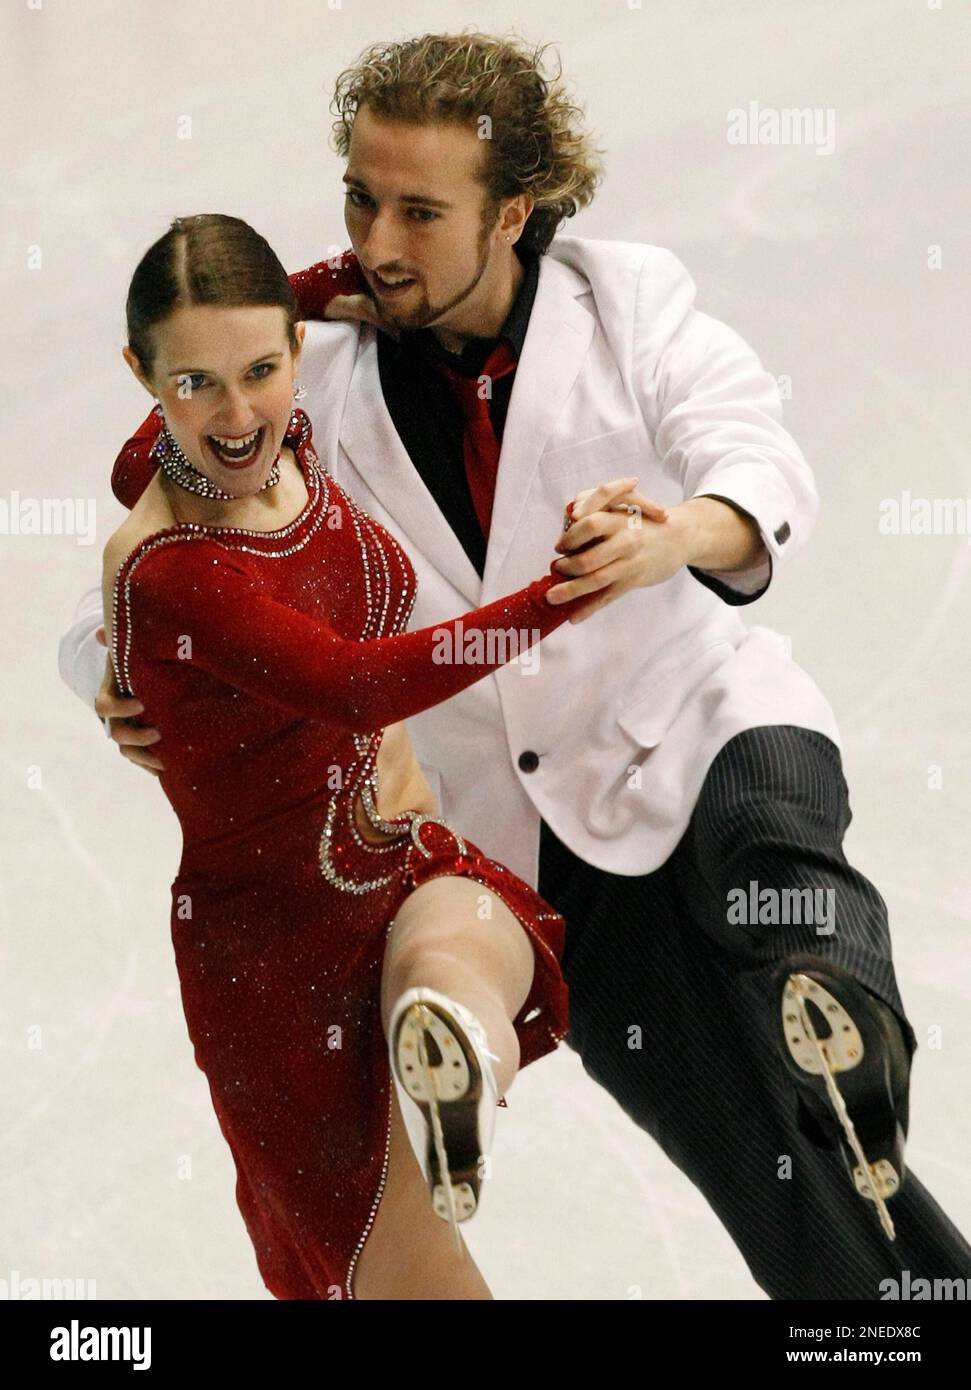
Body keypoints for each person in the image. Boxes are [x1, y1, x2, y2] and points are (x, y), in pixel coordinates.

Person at [61, 31, 971, 1297]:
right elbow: (160, 522)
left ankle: (839, 1011)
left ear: (513, 212)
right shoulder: (310, 386)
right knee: (763, 1165)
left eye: (420, 211)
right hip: (539, 850)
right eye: (360, 200)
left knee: (772, 854)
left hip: (693, 723)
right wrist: (117, 672)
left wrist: (675, 537)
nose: (378, 242)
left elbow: (751, 455)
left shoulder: (623, 301)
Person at [98, 210, 611, 1301]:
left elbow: (242, 333)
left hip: (398, 858)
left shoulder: (272, 434)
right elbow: (354, 685)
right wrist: (562, 592)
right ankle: (444, 1053)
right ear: (142, 376)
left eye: (261, 369)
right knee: (408, 1281)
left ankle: (451, 1054)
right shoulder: (174, 568)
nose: (237, 414)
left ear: (293, 347)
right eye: (195, 384)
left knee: (469, 950)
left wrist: (355, 274)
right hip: (276, 959)